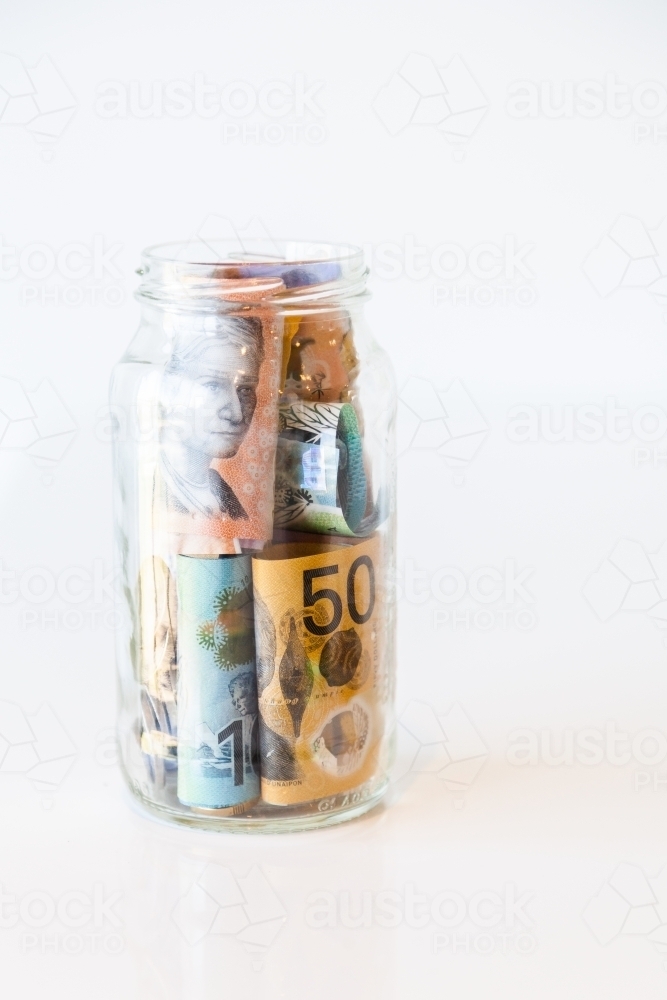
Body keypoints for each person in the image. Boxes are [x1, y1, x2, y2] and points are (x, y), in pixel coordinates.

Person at [159, 316, 264, 521]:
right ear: (170, 389)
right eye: (213, 386)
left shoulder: (224, 495)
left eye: (245, 389)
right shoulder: (153, 491)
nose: (236, 414)